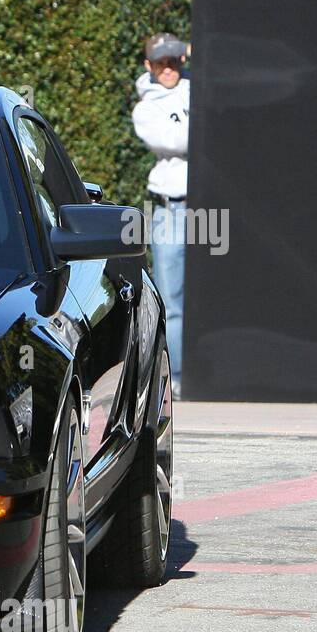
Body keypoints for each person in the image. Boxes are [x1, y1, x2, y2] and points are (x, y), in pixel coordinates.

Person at [133, 32, 190, 396]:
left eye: (174, 61)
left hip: (211, 205)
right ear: (148, 66)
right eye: (160, 63)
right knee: (173, 300)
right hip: (171, 209)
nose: (168, 69)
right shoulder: (146, 107)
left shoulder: (195, 88)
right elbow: (178, 141)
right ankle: (179, 378)